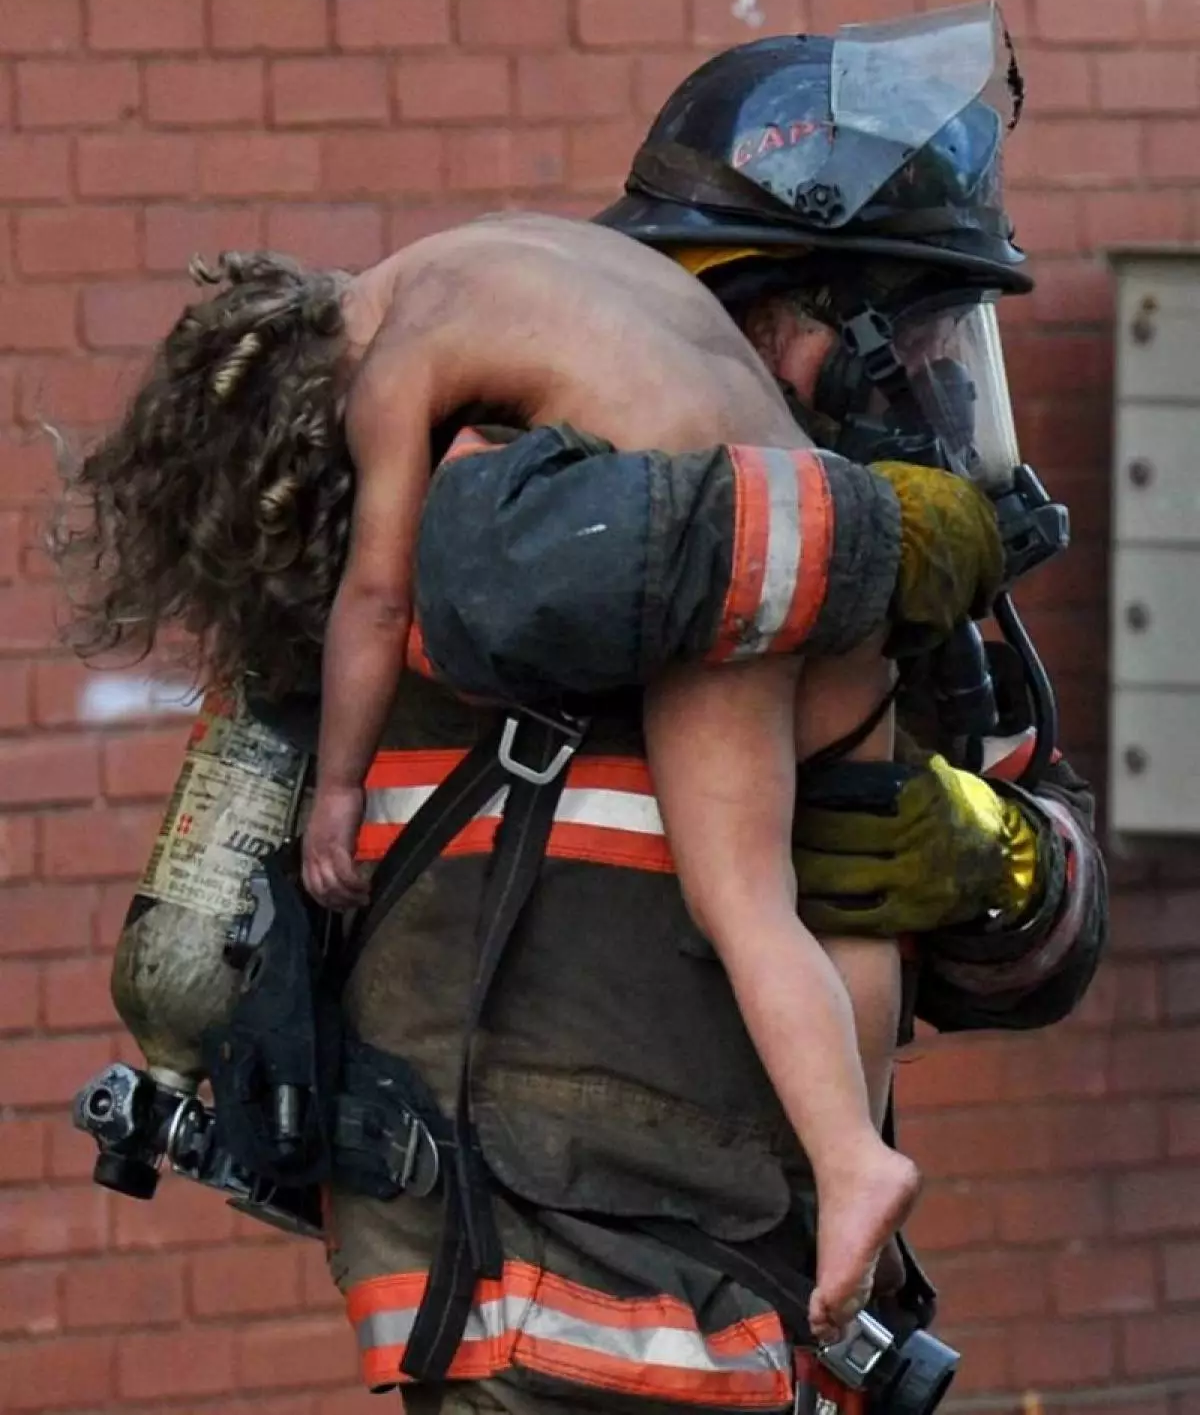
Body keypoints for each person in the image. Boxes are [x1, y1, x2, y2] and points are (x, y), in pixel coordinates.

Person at [57, 3, 1105, 1415]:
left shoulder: (856, 584)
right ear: (788, 318)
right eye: (916, 337)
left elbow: (1031, 911)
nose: (932, 387)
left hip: (765, 1314)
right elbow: (502, 578)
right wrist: (856, 535)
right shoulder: (506, 484)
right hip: (548, 1301)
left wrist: (1004, 863)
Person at [284, 209, 919, 1335]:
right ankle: (851, 1155)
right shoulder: (536, 250)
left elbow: (377, 599)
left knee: (731, 894)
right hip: (825, 509)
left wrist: (338, 788)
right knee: (791, 898)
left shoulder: (391, 357)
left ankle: (849, 1165)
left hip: (709, 526)